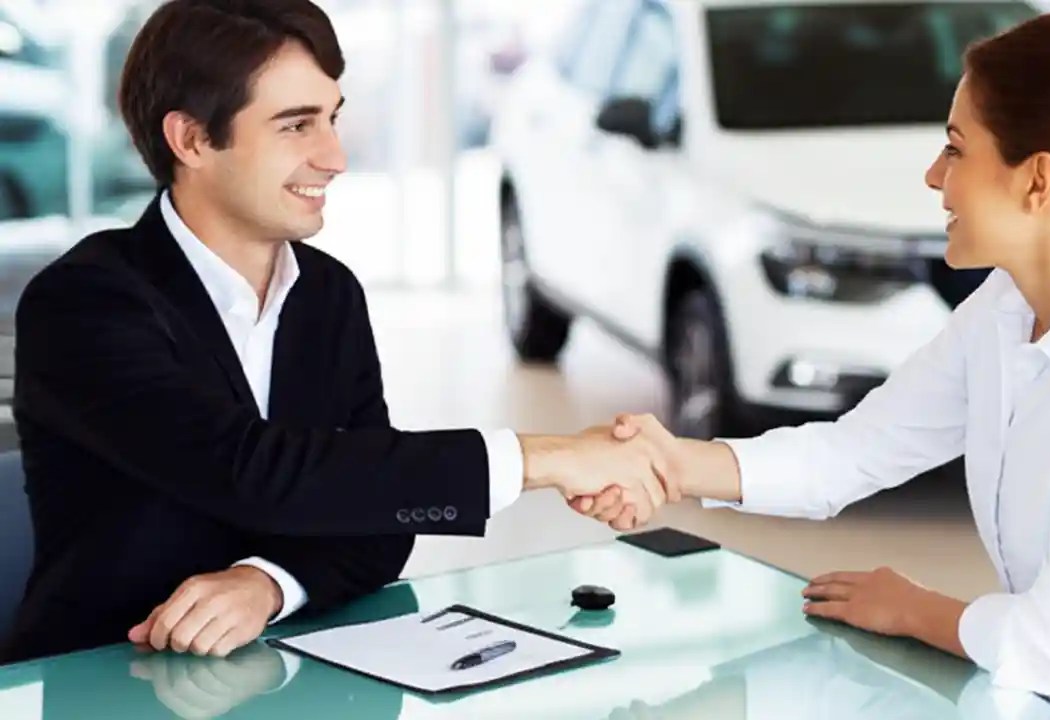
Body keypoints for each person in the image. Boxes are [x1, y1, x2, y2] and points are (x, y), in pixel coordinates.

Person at [578, 12, 1050, 719]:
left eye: (955, 148)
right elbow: (852, 452)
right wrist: (672, 463)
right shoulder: (1006, 309)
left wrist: (914, 609)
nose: (933, 175)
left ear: (1038, 182)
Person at [1, 0, 666, 665]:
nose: (335, 157)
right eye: (296, 126)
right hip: (107, 673)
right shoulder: (84, 302)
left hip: (291, 667)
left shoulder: (328, 292)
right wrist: (541, 457)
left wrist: (269, 584)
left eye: (333, 118)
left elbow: (377, 513)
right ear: (193, 139)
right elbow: (250, 469)